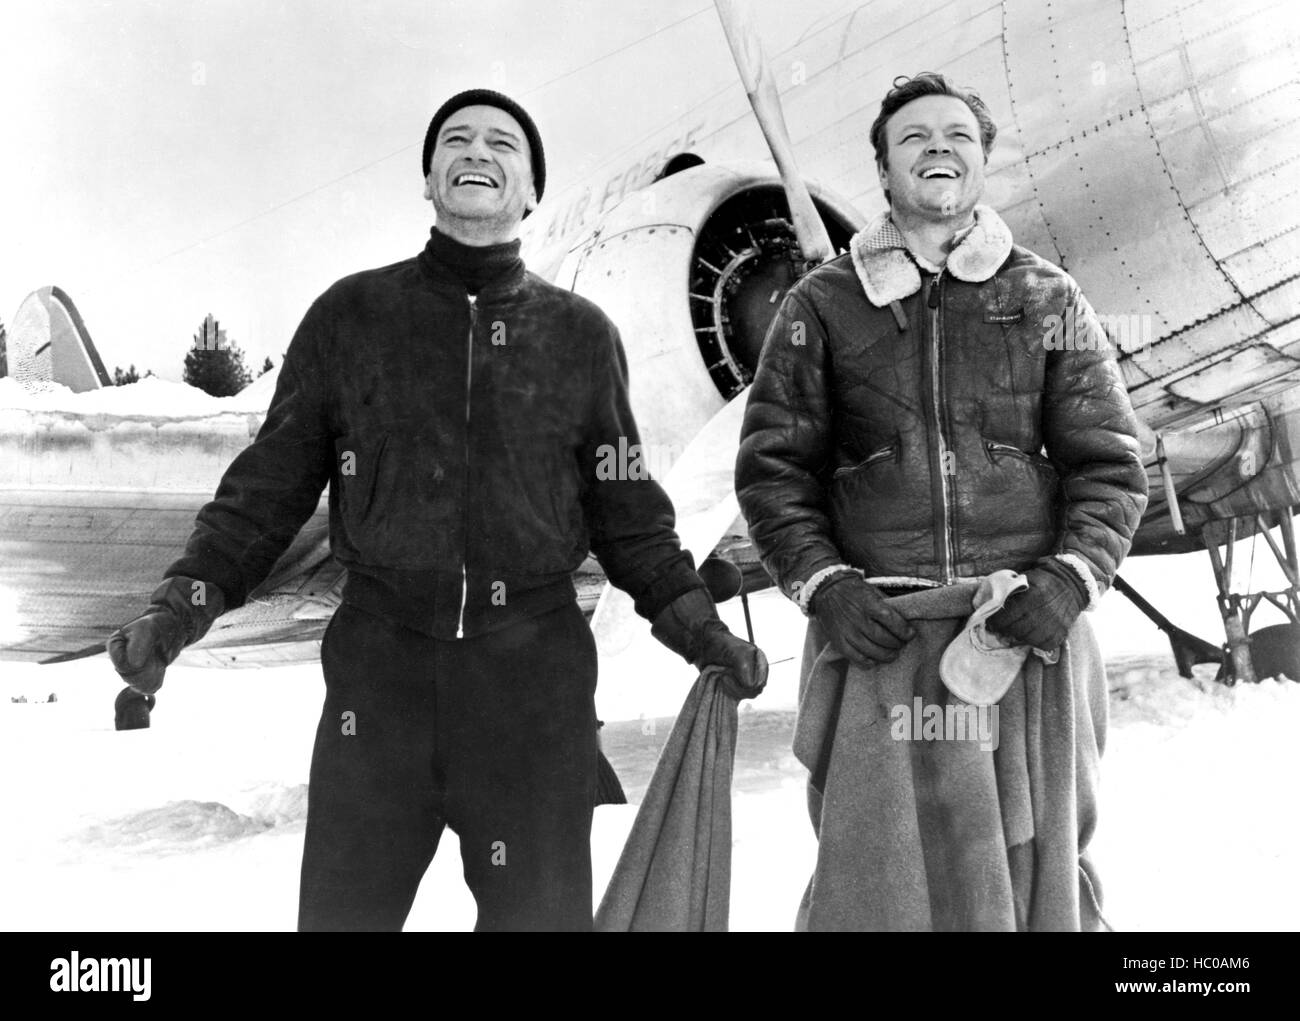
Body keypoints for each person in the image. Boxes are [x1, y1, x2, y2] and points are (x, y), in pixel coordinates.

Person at [107, 88, 767, 932]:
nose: (476, 152)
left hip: (533, 695)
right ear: (428, 180)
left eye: (502, 143)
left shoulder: (582, 336)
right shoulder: (349, 317)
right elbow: (263, 493)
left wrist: (702, 632)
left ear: (532, 190)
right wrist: (177, 609)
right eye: (455, 140)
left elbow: (630, 515)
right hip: (379, 689)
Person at [735, 72, 1148, 930]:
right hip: (880, 633)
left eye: (958, 135)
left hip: (1022, 629)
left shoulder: (1049, 296)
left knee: (1041, 876)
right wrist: (825, 586)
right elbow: (774, 471)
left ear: (983, 161)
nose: (938, 149)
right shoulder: (819, 305)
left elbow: (1109, 464)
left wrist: (1069, 581)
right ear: (884, 170)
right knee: (875, 878)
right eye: (914, 137)